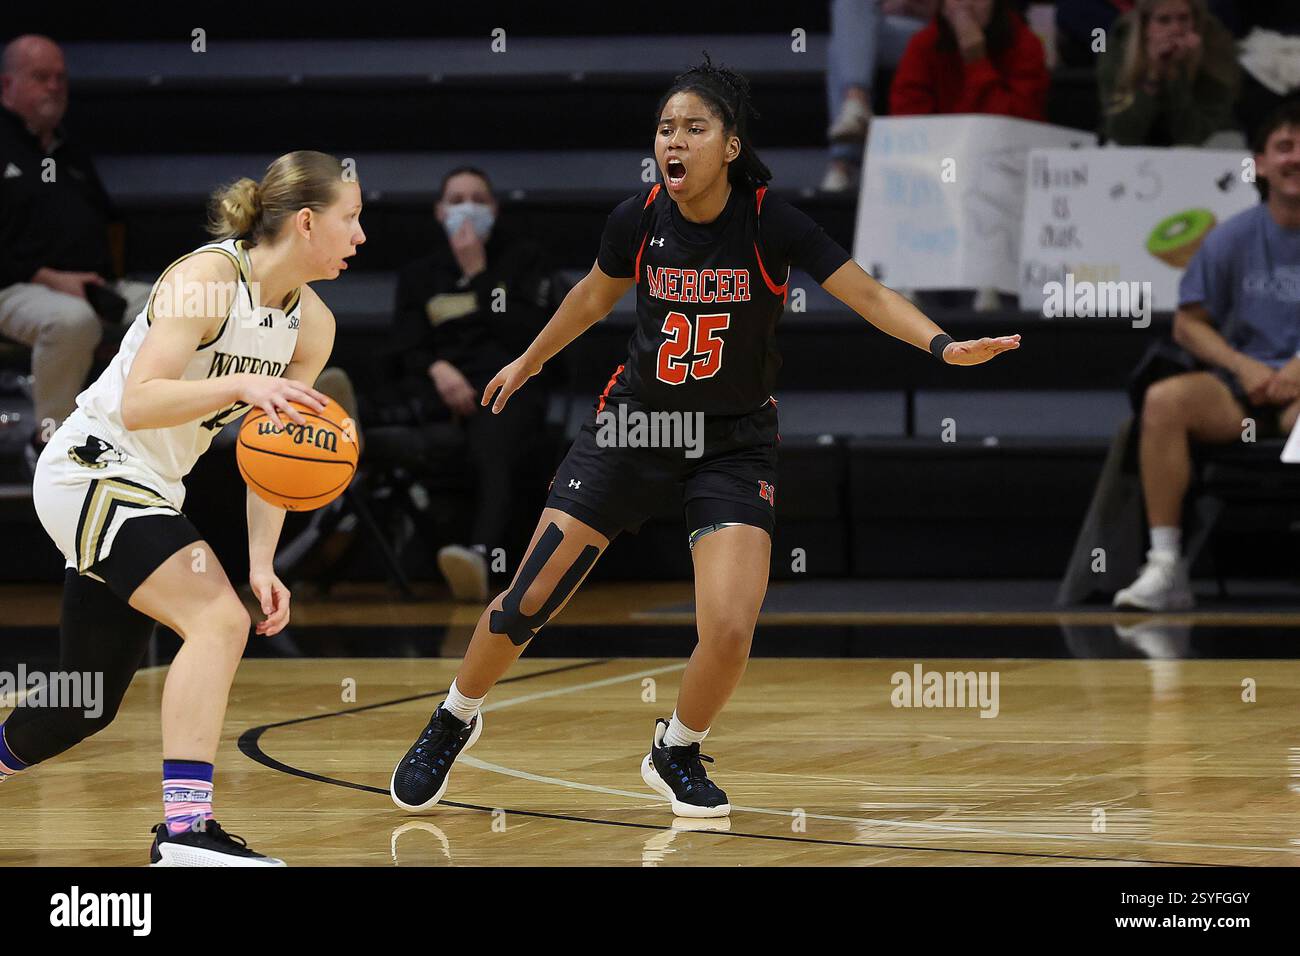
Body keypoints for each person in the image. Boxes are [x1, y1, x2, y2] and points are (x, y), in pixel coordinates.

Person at [389, 59, 1019, 818]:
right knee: (526, 601)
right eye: (664, 129)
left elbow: (868, 293)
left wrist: (943, 346)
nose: (674, 142)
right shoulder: (638, 218)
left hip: (732, 440)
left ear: (729, 145)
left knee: (726, 630)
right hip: (637, 426)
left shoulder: (771, 221)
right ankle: (453, 717)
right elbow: (593, 295)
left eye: (693, 128)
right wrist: (527, 360)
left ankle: (676, 747)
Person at [0, 150, 363, 865]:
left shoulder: (311, 325)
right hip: (92, 468)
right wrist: (240, 390)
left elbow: (275, 455)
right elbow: (139, 402)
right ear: (309, 221)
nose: (359, 238)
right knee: (216, 618)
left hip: (153, 490)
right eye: (351, 220)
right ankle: (187, 833)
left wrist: (263, 562)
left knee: (83, 704)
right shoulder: (206, 279)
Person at [1114, 100, 1300, 611]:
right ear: (1260, 163)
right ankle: (1166, 565)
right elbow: (1188, 324)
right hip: (1244, 387)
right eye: (1285, 147)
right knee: (1164, 402)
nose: (1296, 158)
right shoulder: (1231, 237)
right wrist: (1245, 366)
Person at [392, 166, 552, 601]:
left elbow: (529, 335)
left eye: (479, 200)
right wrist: (436, 369)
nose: (468, 208)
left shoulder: (523, 261)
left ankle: (480, 555)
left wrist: (479, 274)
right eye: (457, 199)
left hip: (506, 391)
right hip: (440, 391)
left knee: (492, 440)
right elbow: (405, 345)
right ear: (440, 210)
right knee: (393, 418)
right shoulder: (420, 275)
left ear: (495, 210)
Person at [0, 35, 154, 473]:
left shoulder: (69, 152)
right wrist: (49, 277)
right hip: (15, 287)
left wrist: (104, 279)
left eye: (60, 79)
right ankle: (49, 442)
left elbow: (110, 222)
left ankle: (132, 430)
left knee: (170, 305)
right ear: (5, 85)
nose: (54, 87)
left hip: (92, 284)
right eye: (40, 78)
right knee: (71, 321)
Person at [823, 0, 938, 192]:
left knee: (842, 48)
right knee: (844, 36)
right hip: (878, 28)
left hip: (928, 29)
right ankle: (856, 101)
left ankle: (843, 162)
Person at [1097, 0, 1240, 146]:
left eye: (1184, 18)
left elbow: (1192, 134)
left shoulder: (1214, 47)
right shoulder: (1120, 46)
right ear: (1145, 26)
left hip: (1207, 139)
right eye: (1163, 20)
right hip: (1138, 141)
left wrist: (1177, 74)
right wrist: (1153, 74)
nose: (1176, 29)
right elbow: (1122, 133)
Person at [889, 0, 1051, 120]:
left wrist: (976, 61)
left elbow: (1015, 125)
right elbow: (907, 121)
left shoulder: (1024, 44)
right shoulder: (924, 44)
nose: (966, 5)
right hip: (939, 157)